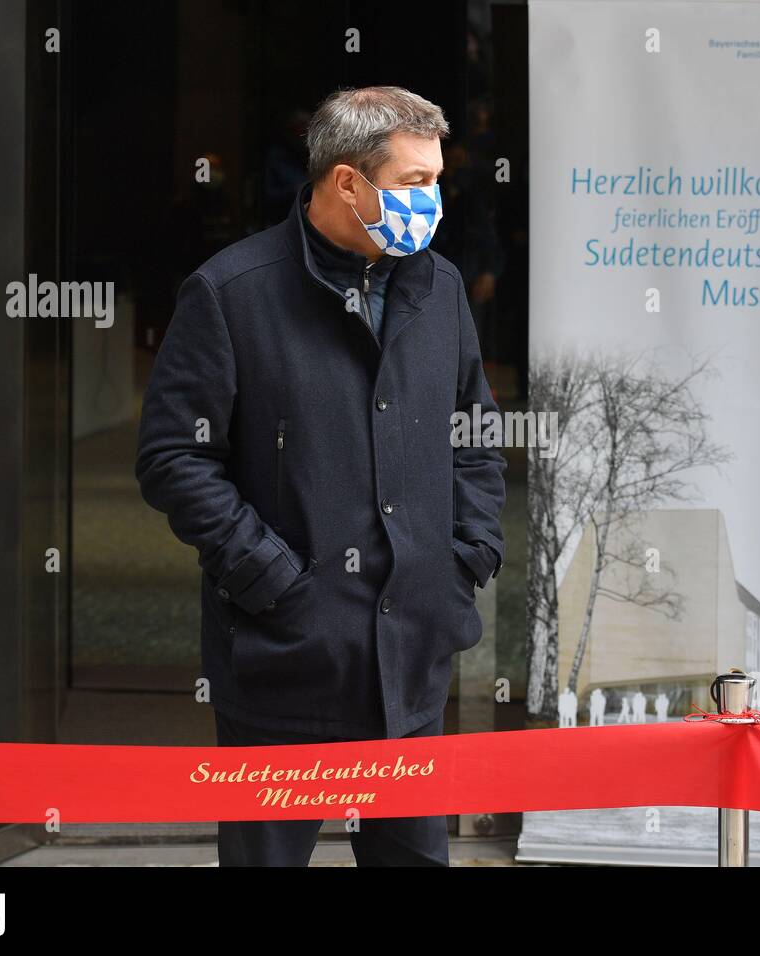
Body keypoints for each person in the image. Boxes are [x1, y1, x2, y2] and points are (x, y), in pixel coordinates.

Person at [134, 86, 506, 866]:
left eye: (436, 180)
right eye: (414, 182)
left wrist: (463, 558)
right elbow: (174, 457)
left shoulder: (436, 288)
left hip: (412, 648)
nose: (432, 200)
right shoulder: (230, 293)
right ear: (346, 181)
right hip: (284, 654)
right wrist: (272, 578)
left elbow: (473, 435)